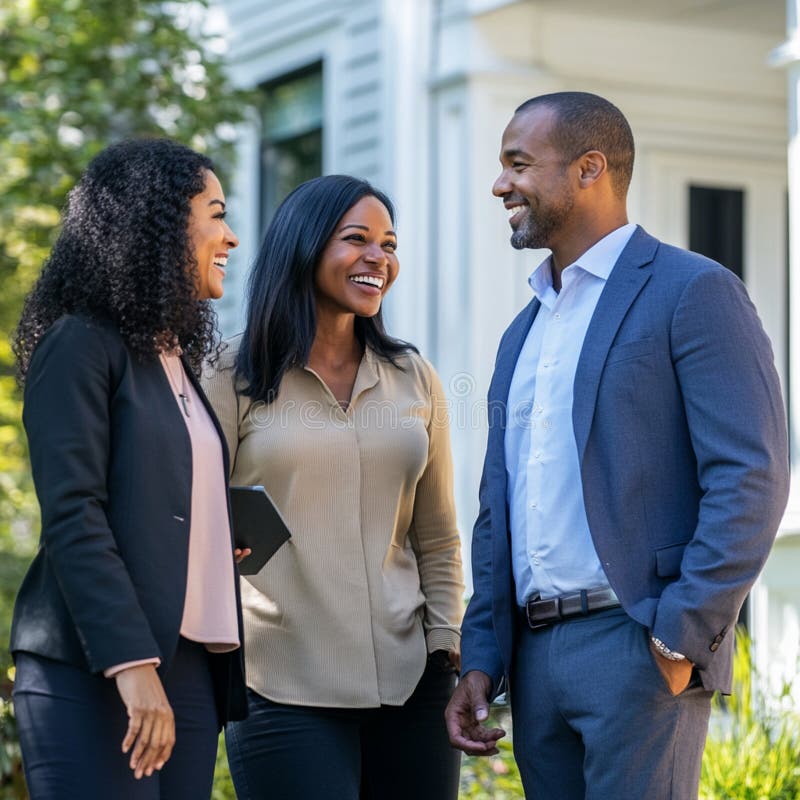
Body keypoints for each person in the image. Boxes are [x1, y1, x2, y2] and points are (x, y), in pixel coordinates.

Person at [444, 91, 790, 799]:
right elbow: (497, 511)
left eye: (517, 163)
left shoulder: (692, 291)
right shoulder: (522, 332)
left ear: (589, 168)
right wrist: (481, 656)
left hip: (635, 645)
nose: (499, 184)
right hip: (536, 661)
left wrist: (680, 633)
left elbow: (751, 475)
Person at [202, 174, 464, 800]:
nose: (380, 258)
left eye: (389, 244)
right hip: (279, 682)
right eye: (357, 240)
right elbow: (196, 519)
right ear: (306, 246)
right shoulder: (230, 373)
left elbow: (436, 535)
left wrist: (447, 640)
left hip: (412, 684)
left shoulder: (414, 377)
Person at [10, 138, 248, 800]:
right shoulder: (80, 343)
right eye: (216, 213)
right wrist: (131, 665)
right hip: (96, 665)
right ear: (162, 224)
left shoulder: (171, 357)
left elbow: (156, 499)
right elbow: (72, 511)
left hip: (190, 663)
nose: (230, 236)